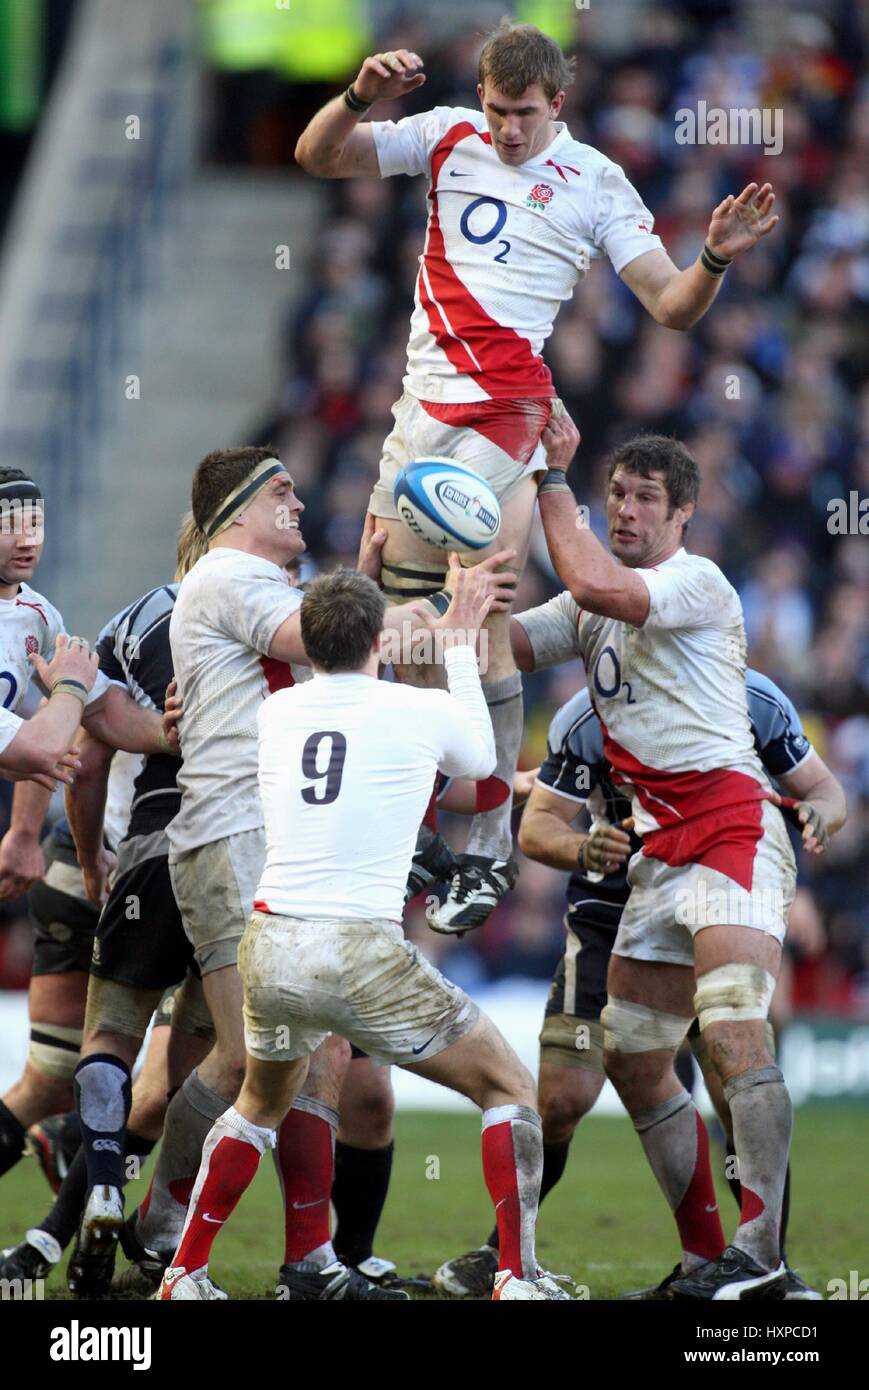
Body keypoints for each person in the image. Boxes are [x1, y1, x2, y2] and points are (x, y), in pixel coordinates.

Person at [295, 18, 778, 933]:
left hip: (511, 410)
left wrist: (712, 254)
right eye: (494, 110)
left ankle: (473, 847)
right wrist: (358, 94)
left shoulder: (596, 181)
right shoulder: (444, 133)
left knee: (464, 603)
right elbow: (319, 157)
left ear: (557, 104)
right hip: (416, 416)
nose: (505, 130)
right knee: (403, 623)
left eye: (521, 114)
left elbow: (671, 305)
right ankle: (429, 831)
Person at [130, 446, 516, 1302]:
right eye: (280, 492)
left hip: (264, 841)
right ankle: (158, 1224)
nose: (299, 502)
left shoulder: (245, 588)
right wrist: (453, 614)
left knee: (299, 1060)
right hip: (232, 835)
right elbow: (334, 640)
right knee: (242, 1065)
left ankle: (303, 1259)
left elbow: (336, 640)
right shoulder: (230, 574)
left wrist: (365, 579)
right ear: (232, 514)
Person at [433, 665, 845, 1301]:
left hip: (711, 905)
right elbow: (539, 825)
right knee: (563, 1099)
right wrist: (582, 847)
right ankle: (505, 1253)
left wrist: (817, 824)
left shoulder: (751, 698)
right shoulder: (586, 713)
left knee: (734, 1079)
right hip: (607, 920)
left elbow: (823, 791)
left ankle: (766, 1266)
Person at [525, 414, 820, 1300]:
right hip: (656, 852)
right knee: (634, 1054)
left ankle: (760, 1257)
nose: (623, 510)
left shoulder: (696, 582)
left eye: (644, 498)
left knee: (731, 1033)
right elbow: (500, 647)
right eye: (615, 494)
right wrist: (441, 607)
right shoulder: (589, 599)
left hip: (731, 826)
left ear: (682, 513)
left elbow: (594, 583)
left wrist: (549, 481)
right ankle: (705, 1259)